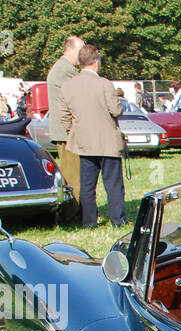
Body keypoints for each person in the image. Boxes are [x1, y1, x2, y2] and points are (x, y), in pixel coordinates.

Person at [56, 44, 126, 228]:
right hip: (108, 143)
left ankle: (89, 221)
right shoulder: (104, 84)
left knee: (87, 186)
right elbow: (116, 110)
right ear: (96, 61)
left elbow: (63, 115)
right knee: (113, 185)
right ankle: (118, 221)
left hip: (84, 142)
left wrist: (76, 129)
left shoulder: (68, 85)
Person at [47, 34, 85, 198]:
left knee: (73, 174)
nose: (82, 55)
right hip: (67, 132)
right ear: (69, 50)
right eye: (80, 51)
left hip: (66, 131)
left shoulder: (63, 68)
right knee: (73, 178)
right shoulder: (66, 71)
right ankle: (74, 213)